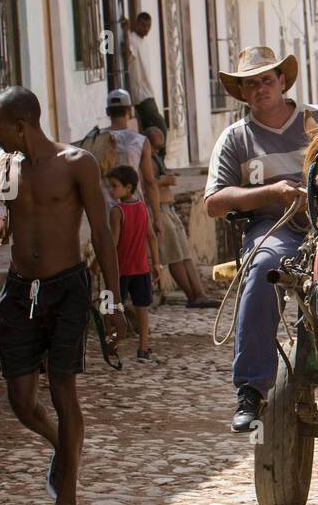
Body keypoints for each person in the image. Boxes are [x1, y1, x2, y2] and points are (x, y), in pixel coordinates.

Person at [0, 87, 125, 505]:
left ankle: (67, 498)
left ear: (21, 126)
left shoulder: (77, 164)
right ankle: (66, 447)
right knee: (21, 401)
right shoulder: (3, 168)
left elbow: (101, 232)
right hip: (20, 292)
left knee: (62, 389)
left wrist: (110, 300)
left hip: (67, 289)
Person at [204, 45, 318, 432]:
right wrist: (272, 193)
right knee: (263, 267)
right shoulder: (235, 139)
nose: (260, 88)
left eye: (266, 79)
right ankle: (251, 389)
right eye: (251, 84)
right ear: (242, 92)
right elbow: (214, 202)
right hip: (274, 230)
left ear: (282, 81)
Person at [145, 126, 218, 308]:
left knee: (185, 255)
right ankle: (191, 295)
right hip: (158, 209)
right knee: (174, 256)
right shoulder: (142, 158)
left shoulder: (154, 157)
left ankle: (200, 293)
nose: (156, 151)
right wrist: (163, 182)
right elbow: (147, 183)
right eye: (154, 147)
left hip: (168, 207)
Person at [77, 90, 162, 236]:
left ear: (107, 112)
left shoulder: (93, 139)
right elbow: (150, 182)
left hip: (103, 213)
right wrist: (157, 218)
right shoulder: (140, 141)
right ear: (129, 111)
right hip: (133, 210)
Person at [106, 166, 160, 361]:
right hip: (141, 268)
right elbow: (151, 237)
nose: (111, 190)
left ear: (128, 187)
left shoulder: (117, 211)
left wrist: (99, 263)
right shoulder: (142, 208)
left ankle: (112, 345)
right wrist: (156, 263)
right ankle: (143, 348)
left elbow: (113, 243)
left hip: (120, 269)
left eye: (114, 186)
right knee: (142, 308)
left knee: (110, 306)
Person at [121, 12, 168, 139]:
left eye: (148, 26)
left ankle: (155, 157)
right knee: (161, 127)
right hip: (141, 95)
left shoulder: (143, 41)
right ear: (137, 24)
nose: (146, 28)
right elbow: (126, 53)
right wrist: (125, 31)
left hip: (148, 92)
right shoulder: (132, 39)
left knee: (150, 130)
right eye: (143, 25)